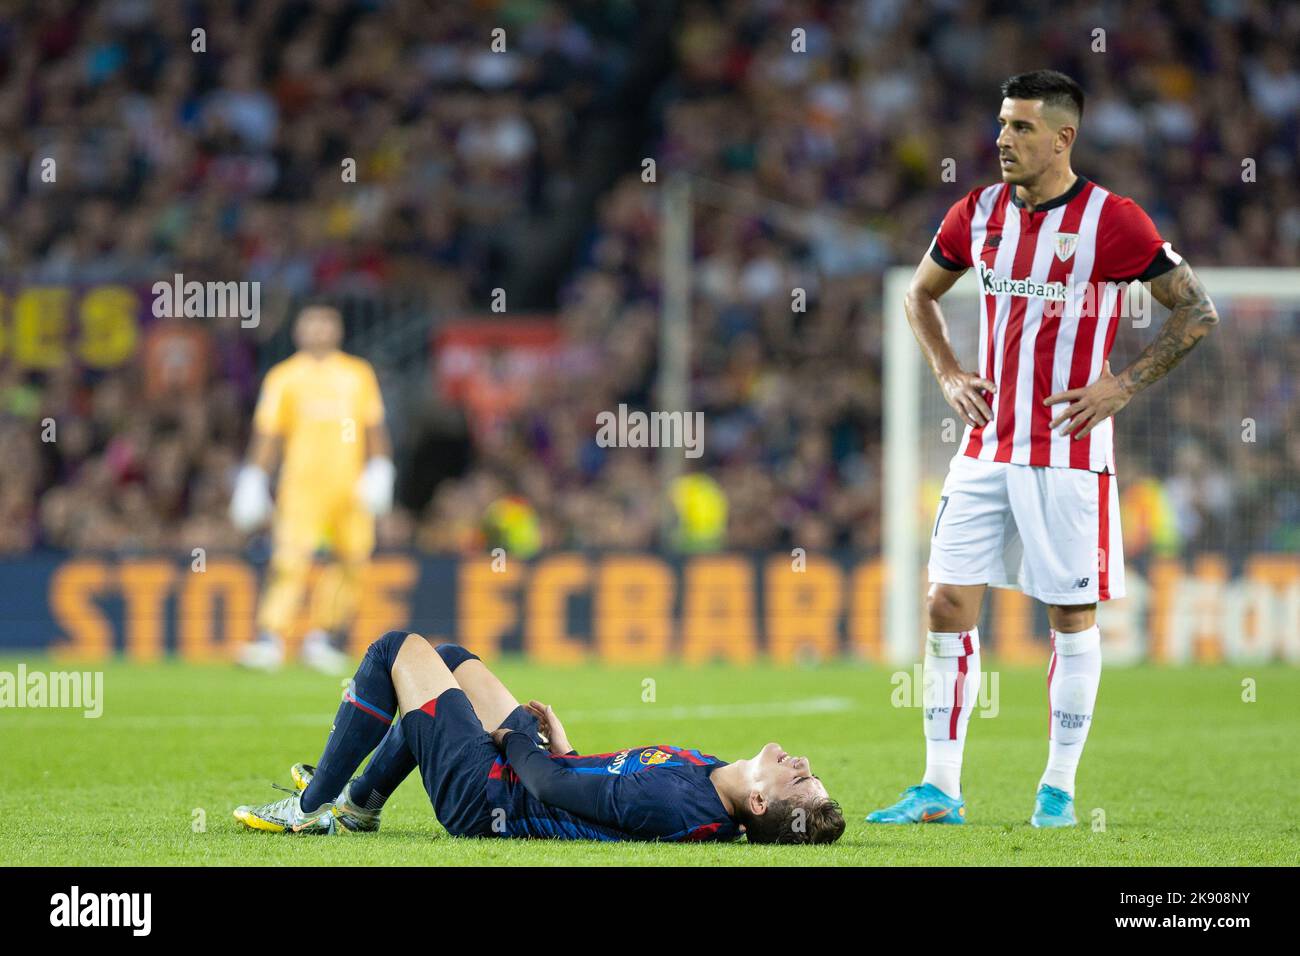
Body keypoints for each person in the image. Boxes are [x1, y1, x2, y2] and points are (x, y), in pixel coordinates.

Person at [869, 70, 1219, 828]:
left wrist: (1122, 386)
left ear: (1064, 138)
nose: (1003, 138)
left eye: (1023, 127)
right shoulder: (979, 211)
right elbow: (919, 292)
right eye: (1001, 123)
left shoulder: (1113, 220)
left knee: (1069, 616)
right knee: (945, 602)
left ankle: (1057, 789)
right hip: (985, 444)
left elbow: (1197, 312)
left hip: (1067, 453)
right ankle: (939, 789)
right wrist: (947, 370)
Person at [234, 630, 845, 844]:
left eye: (799, 776)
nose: (802, 760)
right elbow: (590, 793)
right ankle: (360, 804)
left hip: (491, 798)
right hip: (524, 778)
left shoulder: (678, 802)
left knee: (398, 651)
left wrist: (518, 739)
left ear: (761, 803)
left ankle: (310, 810)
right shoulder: (716, 783)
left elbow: (551, 785)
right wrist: (568, 750)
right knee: (448, 659)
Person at [229, 304, 395, 673]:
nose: (319, 331)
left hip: (350, 485)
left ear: (337, 330)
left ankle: (322, 636)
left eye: (326, 323)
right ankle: (270, 639)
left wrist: (381, 467)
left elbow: (373, 427)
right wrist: (254, 477)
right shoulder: (284, 377)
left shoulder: (357, 374)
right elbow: (269, 433)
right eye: (312, 323)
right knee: (289, 560)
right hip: (300, 485)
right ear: (299, 331)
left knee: (352, 557)